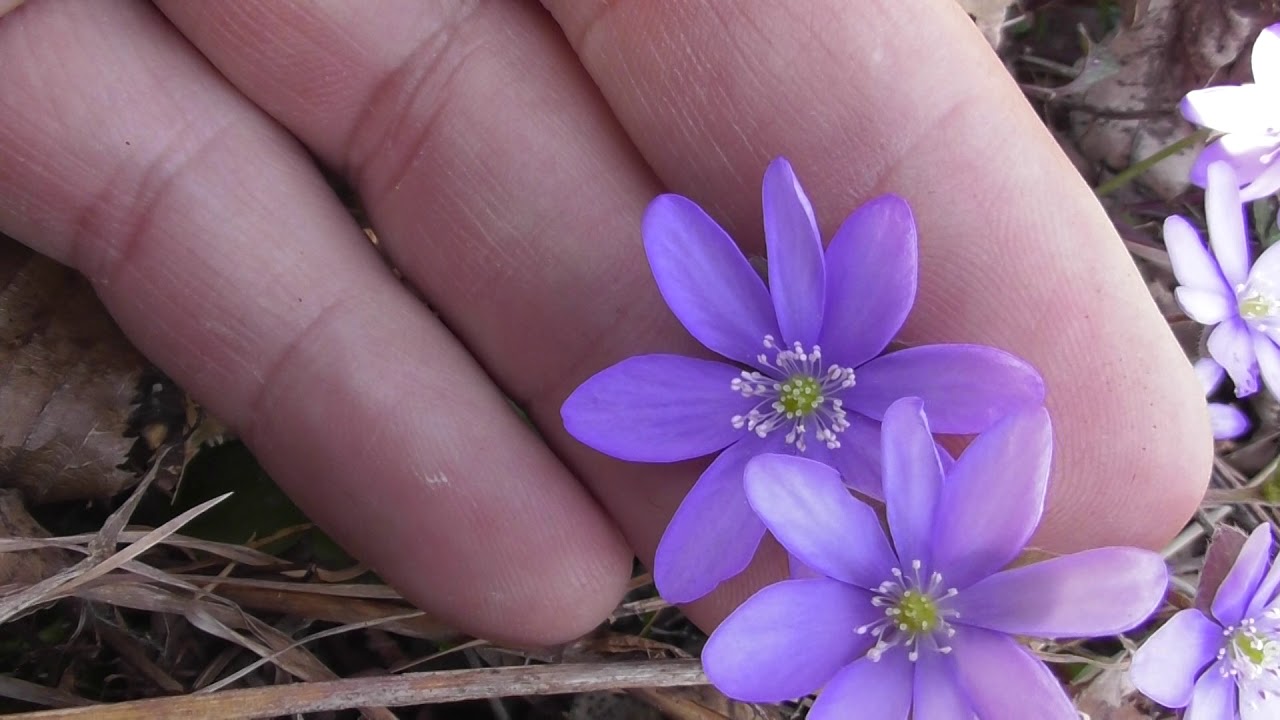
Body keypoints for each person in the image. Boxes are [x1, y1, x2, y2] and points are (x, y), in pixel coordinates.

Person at [0, 0, 1211, 646]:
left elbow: (898, 432)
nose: (801, 400)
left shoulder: (889, 476)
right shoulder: (830, 441)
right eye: (793, 394)